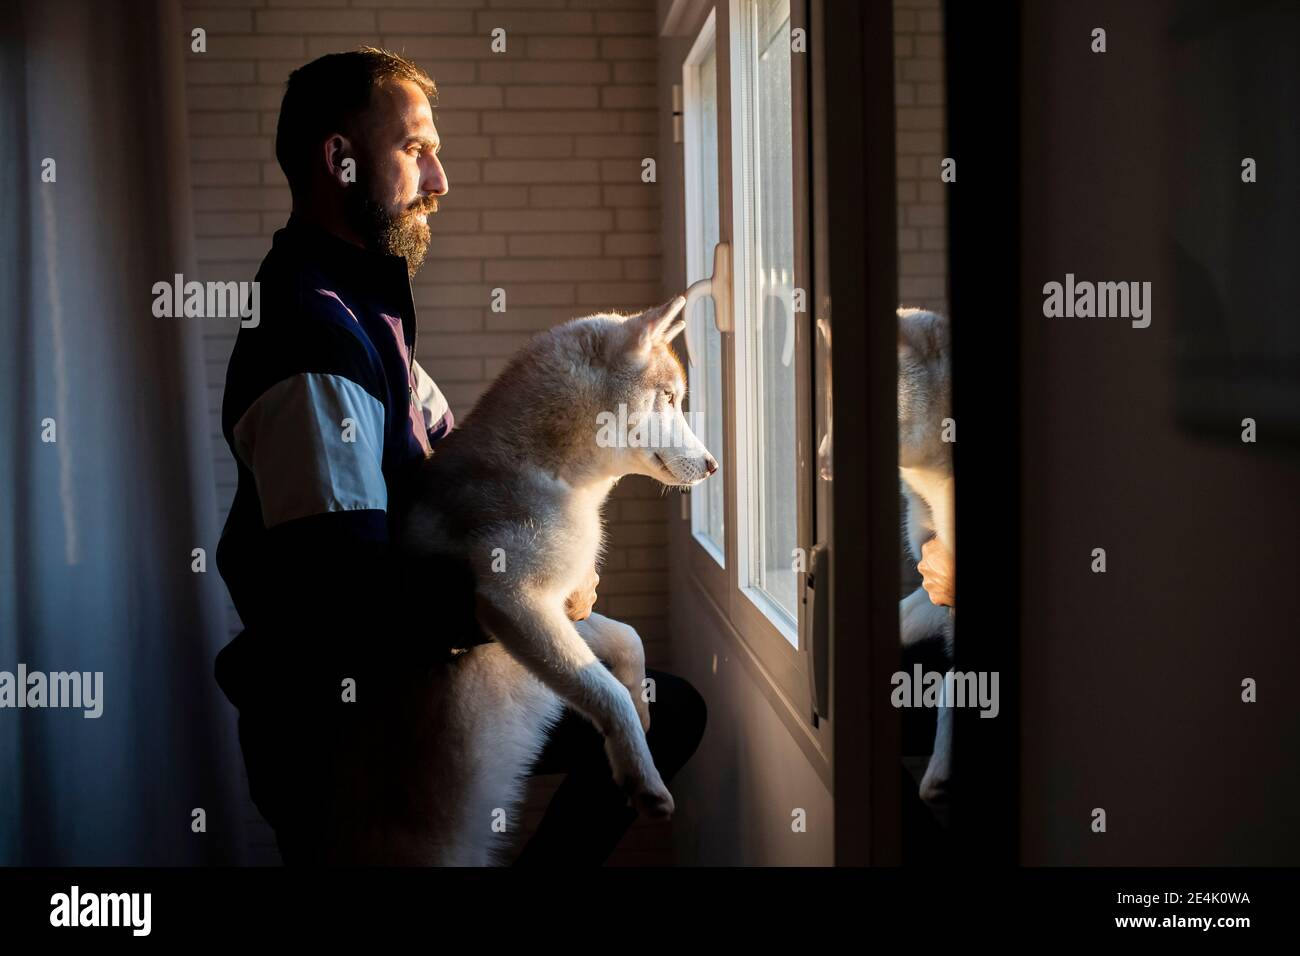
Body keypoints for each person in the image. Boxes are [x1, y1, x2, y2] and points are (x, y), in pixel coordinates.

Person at [212, 47, 705, 866]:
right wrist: (522, 591)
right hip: (354, 744)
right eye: (416, 149)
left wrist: (544, 565)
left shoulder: (361, 308)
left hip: (410, 691)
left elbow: (450, 460)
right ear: (339, 159)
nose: (439, 180)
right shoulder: (314, 338)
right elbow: (344, 597)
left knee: (666, 705)